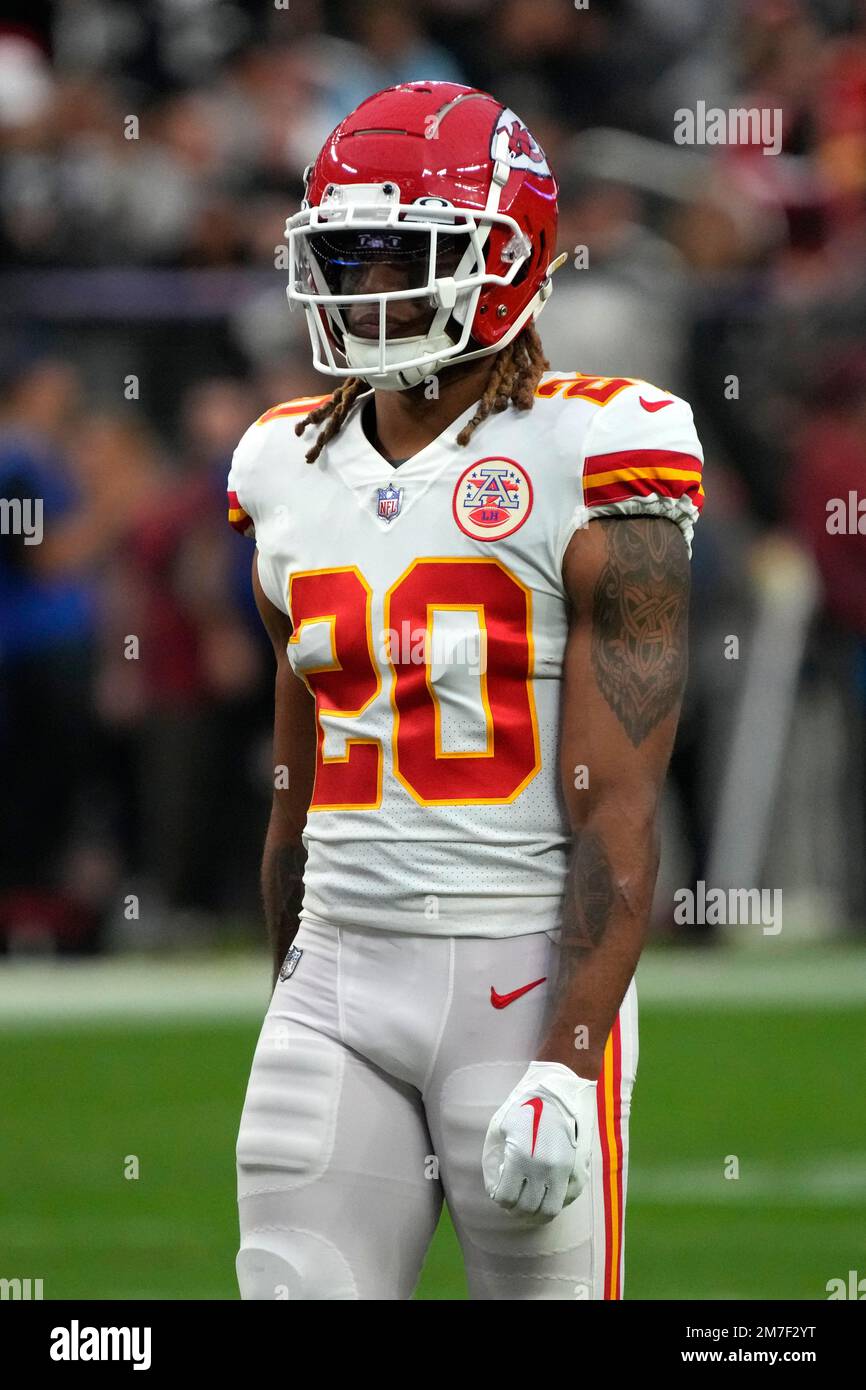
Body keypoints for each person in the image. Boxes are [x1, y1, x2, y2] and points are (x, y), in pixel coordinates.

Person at [227, 81, 704, 1300]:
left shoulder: (595, 449)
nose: (364, 285)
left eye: (400, 252)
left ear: (505, 260)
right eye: (343, 253)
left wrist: (570, 1058)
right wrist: (289, 988)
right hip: (334, 975)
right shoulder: (285, 463)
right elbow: (298, 786)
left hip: (521, 983)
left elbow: (617, 809)